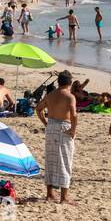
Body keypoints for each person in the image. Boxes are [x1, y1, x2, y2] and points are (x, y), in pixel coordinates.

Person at [35, 71, 78, 203]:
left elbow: (38, 109)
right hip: (63, 127)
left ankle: (50, 194)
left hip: (51, 126)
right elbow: (74, 115)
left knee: (51, 160)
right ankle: (64, 197)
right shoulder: (69, 97)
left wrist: (46, 123)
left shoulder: (50, 95)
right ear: (70, 83)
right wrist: (73, 130)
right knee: (65, 160)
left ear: (58, 82)